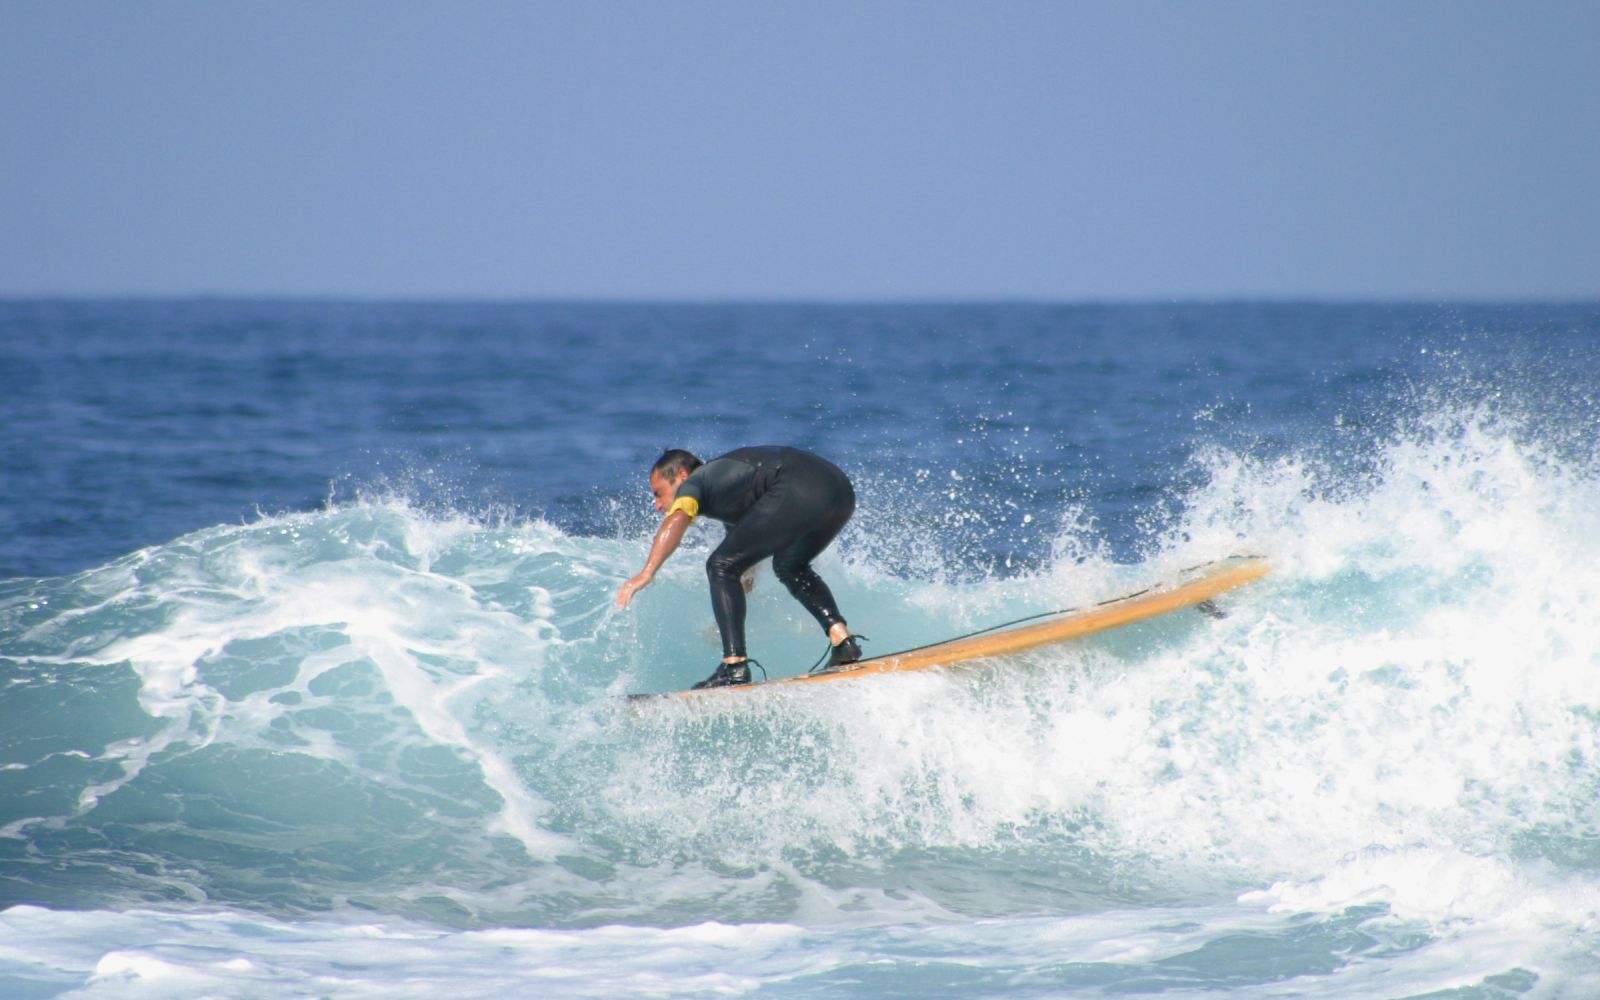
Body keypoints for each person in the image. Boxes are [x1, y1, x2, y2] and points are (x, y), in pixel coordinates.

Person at [615, 445, 863, 688]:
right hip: (840, 492)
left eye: (658, 493)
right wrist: (727, 612)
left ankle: (734, 667)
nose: (657, 505)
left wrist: (646, 573)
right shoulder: (733, 487)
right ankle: (843, 641)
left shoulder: (694, 482)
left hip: (797, 485)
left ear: (681, 475)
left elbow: (678, 518)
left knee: (719, 565)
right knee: (790, 566)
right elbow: (742, 567)